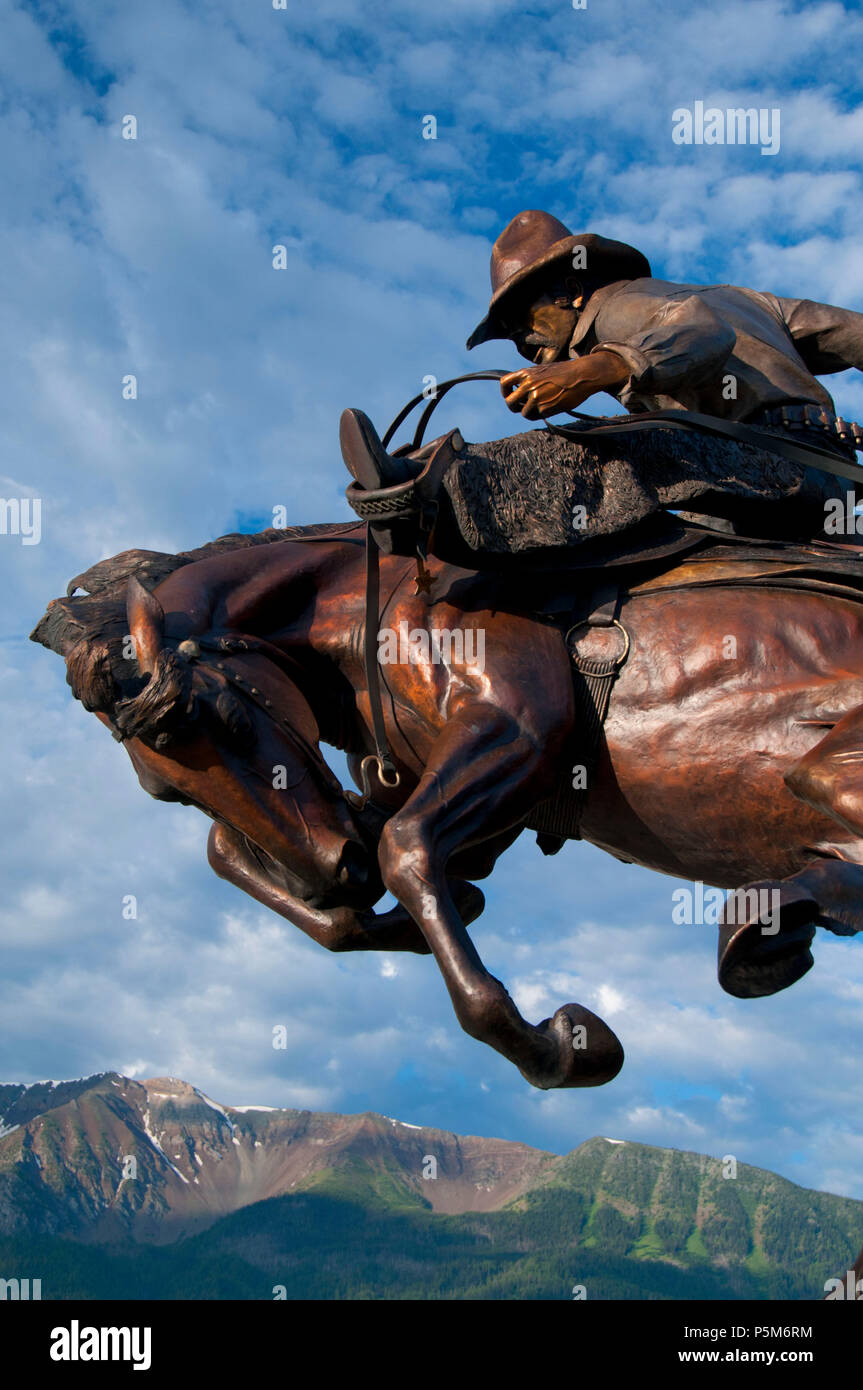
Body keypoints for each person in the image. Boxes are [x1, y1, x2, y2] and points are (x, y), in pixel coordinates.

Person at [340, 210, 863, 562]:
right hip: (827, 474)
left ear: (571, 289)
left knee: (604, 449)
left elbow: (705, 332)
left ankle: (434, 492)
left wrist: (590, 370)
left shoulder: (615, 309)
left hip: (775, 468)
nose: (522, 338)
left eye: (524, 316)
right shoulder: (753, 299)